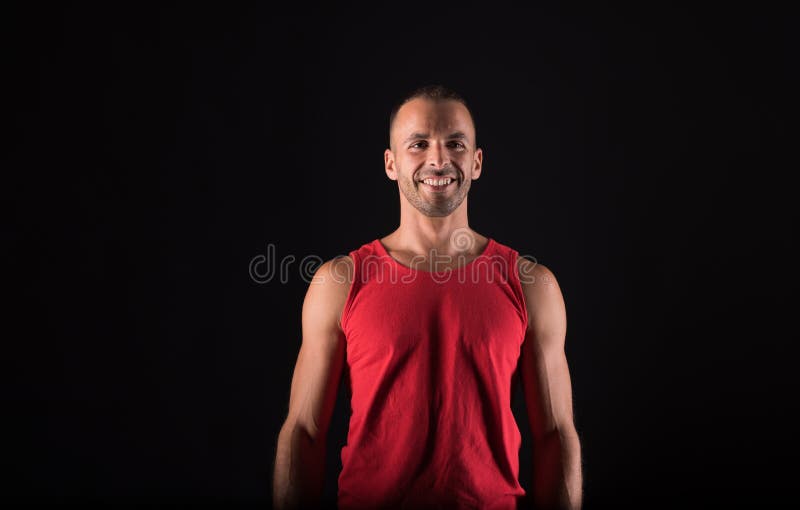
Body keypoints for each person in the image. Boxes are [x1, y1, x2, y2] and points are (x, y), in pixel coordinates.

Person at [272, 85, 582, 509]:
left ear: (476, 163)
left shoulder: (530, 284)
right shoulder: (340, 281)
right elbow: (304, 430)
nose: (438, 159)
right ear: (391, 163)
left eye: (455, 143)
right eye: (418, 144)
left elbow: (555, 434)